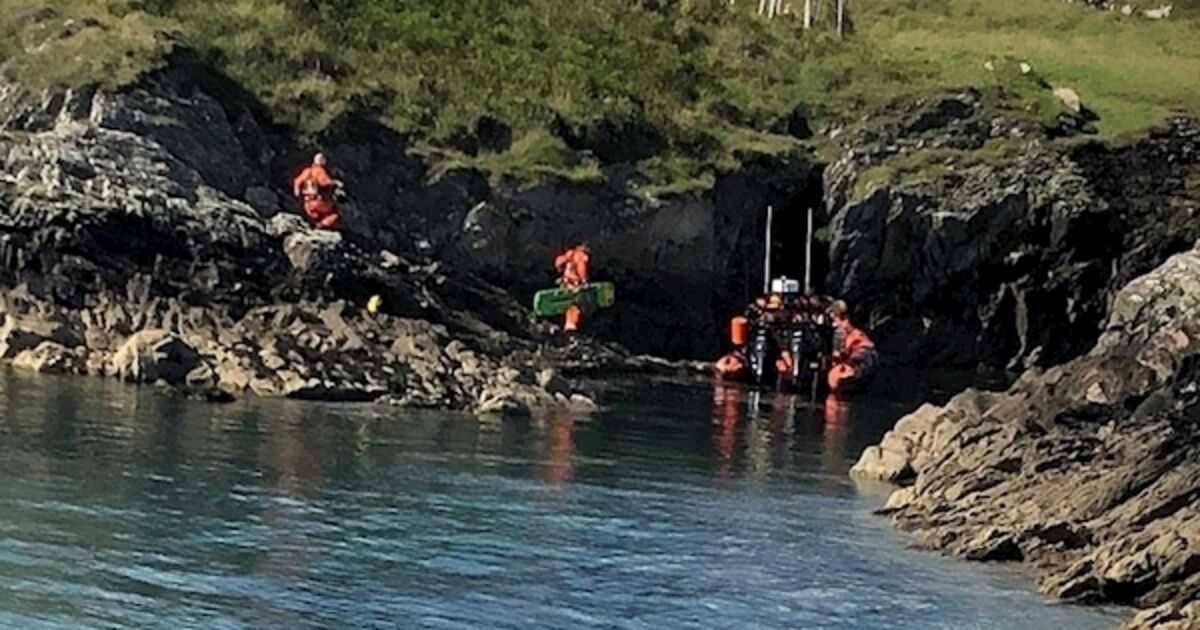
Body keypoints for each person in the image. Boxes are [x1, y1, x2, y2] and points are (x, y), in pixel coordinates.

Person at [827, 299, 877, 395]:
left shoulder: (852, 336)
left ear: (846, 318)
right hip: (855, 377)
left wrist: (849, 366)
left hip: (854, 376)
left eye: (835, 320)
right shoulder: (848, 335)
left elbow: (865, 353)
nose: (834, 325)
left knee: (836, 376)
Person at [292, 153, 342, 229]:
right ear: (322, 161)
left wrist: (297, 194)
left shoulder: (306, 171)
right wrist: (335, 183)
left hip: (307, 204)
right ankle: (321, 226)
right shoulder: (320, 171)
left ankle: (314, 225)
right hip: (319, 203)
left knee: (315, 217)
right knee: (335, 214)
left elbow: (297, 182)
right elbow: (324, 182)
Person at [554, 242, 591, 333]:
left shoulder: (570, 253)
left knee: (569, 303)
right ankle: (571, 325)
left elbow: (559, 261)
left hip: (567, 282)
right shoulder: (581, 256)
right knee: (575, 304)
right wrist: (584, 281)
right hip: (575, 283)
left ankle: (566, 323)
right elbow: (582, 268)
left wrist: (560, 270)